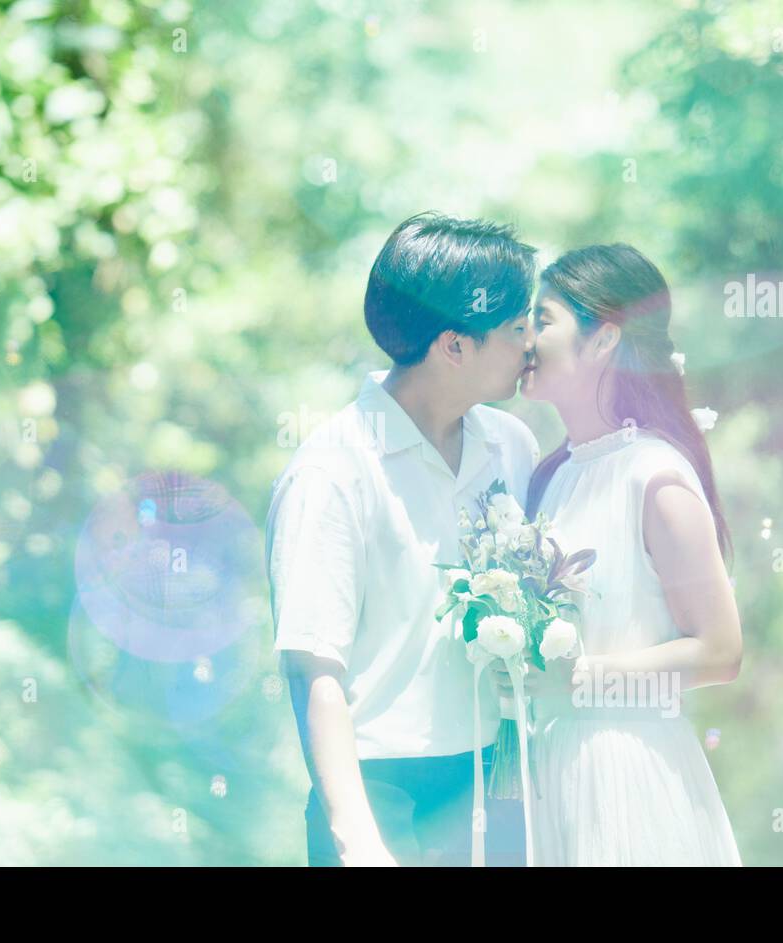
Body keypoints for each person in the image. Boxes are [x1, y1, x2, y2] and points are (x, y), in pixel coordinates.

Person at [265, 211, 541, 865]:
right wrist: (356, 834)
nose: (531, 345)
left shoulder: (511, 446)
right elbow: (314, 670)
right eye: (516, 328)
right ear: (454, 345)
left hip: (494, 776)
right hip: (382, 791)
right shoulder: (333, 470)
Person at [496, 242, 743, 865]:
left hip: (629, 776)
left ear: (603, 339)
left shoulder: (655, 476)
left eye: (542, 319)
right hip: (550, 772)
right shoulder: (549, 477)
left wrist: (577, 680)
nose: (525, 337)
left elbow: (719, 651)